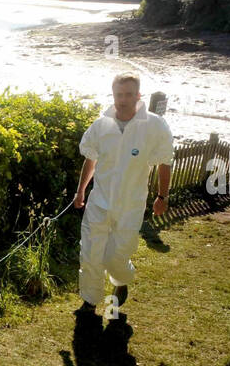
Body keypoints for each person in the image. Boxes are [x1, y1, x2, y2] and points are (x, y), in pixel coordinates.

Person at [74, 73, 174, 322]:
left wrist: (162, 196)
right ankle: (90, 300)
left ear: (139, 96)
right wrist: (81, 190)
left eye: (129, 94)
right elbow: (91, 159)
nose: (123, 100)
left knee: (116, 255)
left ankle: (121, 281)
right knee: (90, 253)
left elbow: (164, 161)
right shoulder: (101, 125)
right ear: (113, 95)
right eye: (119, 94)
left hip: (131, 205)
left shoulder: (154, 126)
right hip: (99, 202)